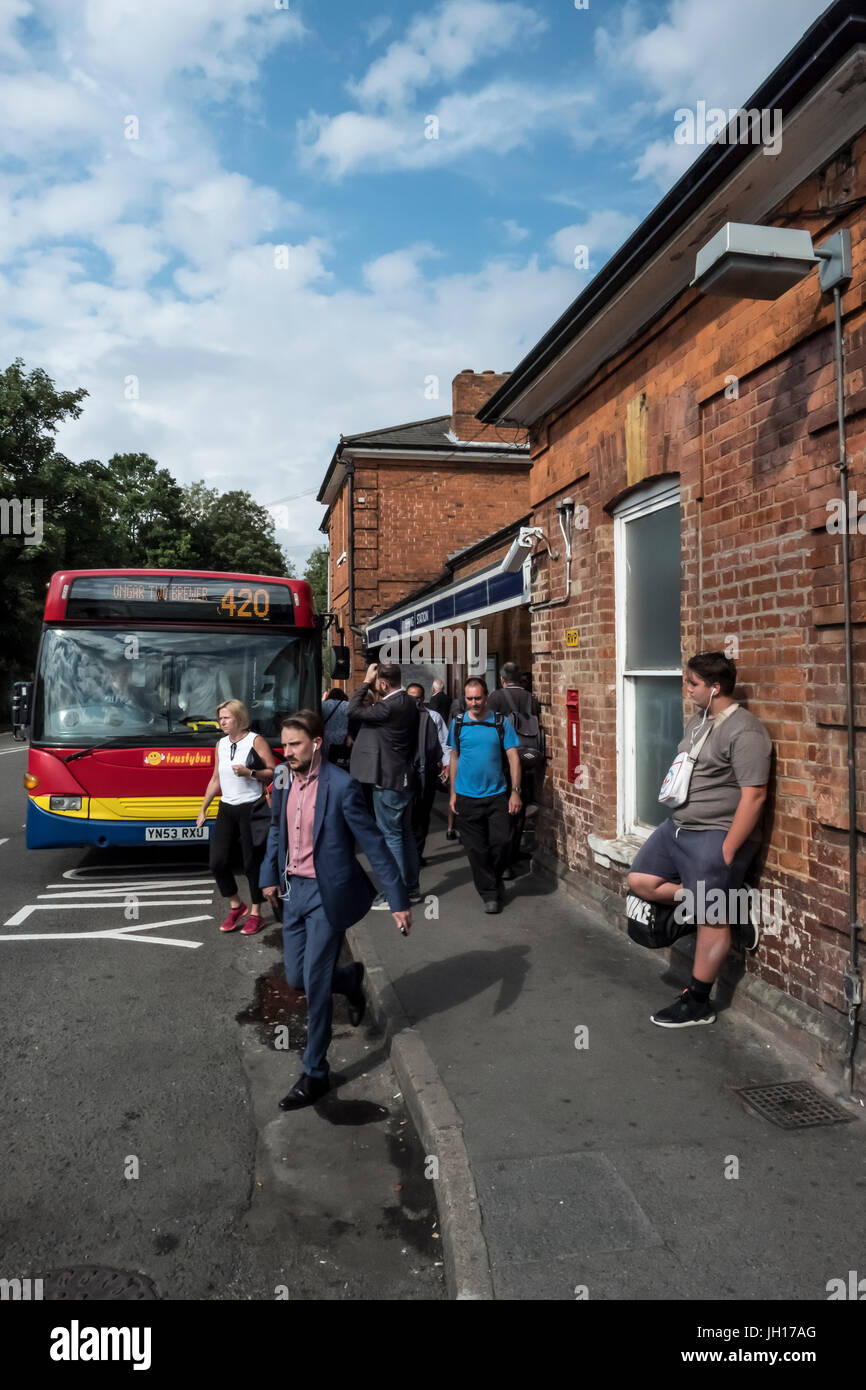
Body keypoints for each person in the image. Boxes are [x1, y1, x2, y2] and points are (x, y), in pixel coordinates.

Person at [260, 711, 411, 1110]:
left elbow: (374, 843)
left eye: (295, 744)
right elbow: (276, 829)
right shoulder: (282, 780)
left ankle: (315, 1072)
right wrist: (267, 876)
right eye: (284, 745)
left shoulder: (341, 787)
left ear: (316, 743)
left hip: (328, 896)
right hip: (292, 891)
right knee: (297, 977)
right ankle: (348, 980)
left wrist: (397, 899)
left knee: (313, 983)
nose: (287, 752)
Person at [626, 652, 772, 1028]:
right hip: (677, 828)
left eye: (693, 683)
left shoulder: (747, 731)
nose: (687, 689)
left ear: (715, 687)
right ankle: (722, 902)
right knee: (640, 881)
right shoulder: (699, 720)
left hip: (714, 834)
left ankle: (698, 1002)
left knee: (712, 920)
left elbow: (754, 796)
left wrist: (727, 848)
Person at [196, 698, 277, 935]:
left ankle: (255, 913)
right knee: (217, 861)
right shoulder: (220, 744)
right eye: (220, 718)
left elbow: (273, 772)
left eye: (226, 717)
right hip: (226, 807)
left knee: (251, 863)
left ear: (239, 718)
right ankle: (236, 905)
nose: (222, 721)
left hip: (251, 808)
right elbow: (215, 779)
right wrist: (203, 809)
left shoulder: (255, 740)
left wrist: (249, 772)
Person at [348, 662, 422, 906]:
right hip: (404, 776)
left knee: (392, 836)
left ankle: (396, 894)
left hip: (388, 779)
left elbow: (353, 710)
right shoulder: (409, 702)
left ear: (382, 683)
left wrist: (365, 681)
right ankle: (411, 888)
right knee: (405, 834)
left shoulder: (387, 708)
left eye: (377, 682)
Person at [448, 676, 521, 914]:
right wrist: (452, 794)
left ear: (486, 696)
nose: (474, 703)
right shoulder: (458, 723)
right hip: (466, 797)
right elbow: (454, 757)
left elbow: (513, 757)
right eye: (469, 698)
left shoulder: (500, 722)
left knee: (502, 841)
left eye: (478, 698)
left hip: (497, 794)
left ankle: (493, 877)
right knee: (476, 849)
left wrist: (515, 792)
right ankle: (489, 893)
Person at [488, 661, 542, 876]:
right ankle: (515, 849)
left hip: (504, 762)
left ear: (502, 679)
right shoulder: (531, 698)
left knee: (503, 812)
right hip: (530, 759)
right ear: (520, 679)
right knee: (520, 810)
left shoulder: (496, 697)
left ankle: (505, 860)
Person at [406, 682, 450, 865]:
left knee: (423, 814)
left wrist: (447, 767)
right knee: (406, 814)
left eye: (418, 697)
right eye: (411, 697)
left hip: (427, 773)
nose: (414, 701)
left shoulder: (434, 717)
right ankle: (406, 854)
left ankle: (417, 853)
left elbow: (445, 742)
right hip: (404, 774)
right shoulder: (399, 716)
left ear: (423, 698)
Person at [321, 687, 351, 769]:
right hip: (342, 738)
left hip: (325, 738)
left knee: (325, 762)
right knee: (339, 762)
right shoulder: (347, 705)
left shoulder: (323, 705)